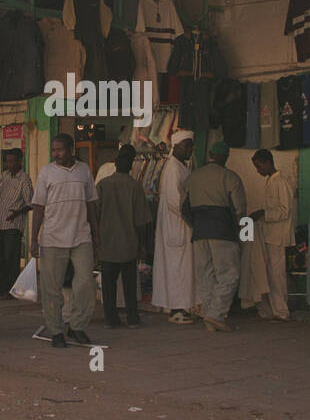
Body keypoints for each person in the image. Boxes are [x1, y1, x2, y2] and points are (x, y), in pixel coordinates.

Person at [30, 133, 100, 347]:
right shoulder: (47, 172)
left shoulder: (84, 170)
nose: (56, 154)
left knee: (86, 283)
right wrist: (34, 238)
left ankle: (77, 326)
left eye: (60, 149)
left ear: (71, 149)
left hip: (81, 236)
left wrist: (96, 234)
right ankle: (56, 330)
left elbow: (91, 203)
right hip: (52, 237)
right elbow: (39, 207)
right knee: (52, 288)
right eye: (54, 150)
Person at [182, 141, 248, 333]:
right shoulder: (231, 178)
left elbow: (183, 209)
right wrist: (243, 233)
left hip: (200, 233)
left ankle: (210, 316)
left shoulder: (193, 178)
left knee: (205, 275)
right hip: (223, 232)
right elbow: (240, 210)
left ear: (210, 153)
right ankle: (216, 315)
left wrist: (196, 225)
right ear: (226, 157)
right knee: (229, 274)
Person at [96, 144, 152, 328]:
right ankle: (133, 318)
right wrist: (143, 244)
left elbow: (94, 215)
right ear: (130, 167)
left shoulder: (103, 185)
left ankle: (111, 318)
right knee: (129, 283)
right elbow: (141, 220)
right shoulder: (135, 187)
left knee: (108, 284)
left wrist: (96, 239)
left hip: (108, 242)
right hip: (128, 243)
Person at [152, 130, 198, 322]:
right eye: (187, 145)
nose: (190, 149)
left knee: (183, 268)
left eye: (191, 145)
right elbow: (174, 200)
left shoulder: (182, 166)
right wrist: (192, 219)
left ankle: (183, 308)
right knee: (176, 268)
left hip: (181, 225)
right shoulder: (172, 168)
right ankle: (176, 310)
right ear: (176, 146)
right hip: (177, 225)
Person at [250, 149, 295, 321]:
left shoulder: (281, 182)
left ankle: (281, 312)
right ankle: (273, 310)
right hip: (270, 235)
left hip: (279, 236)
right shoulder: (271, 181)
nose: (258, 170)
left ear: (268, 162)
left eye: (259, 166)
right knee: (271, 274)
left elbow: (284, 211)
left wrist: (263, 213)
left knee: (277, 275)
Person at [0, 147, 32, 297]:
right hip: (0, 221)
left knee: (11, 257)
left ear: (19, 161)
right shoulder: (4, 176)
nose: (10, 165)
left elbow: (30, 203)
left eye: (12, 161)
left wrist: (17, 212)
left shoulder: (24, 179)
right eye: (7, 162)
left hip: (13, 224)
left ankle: (10, 289)